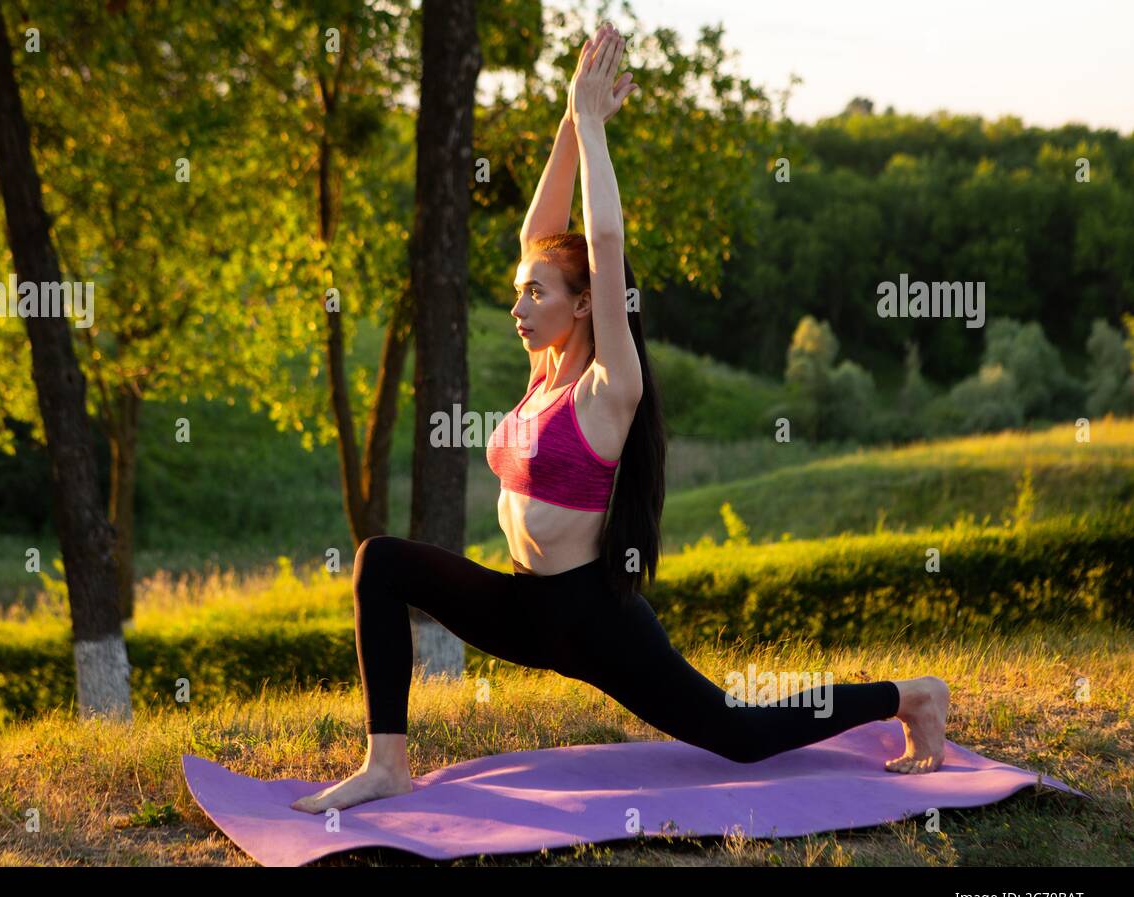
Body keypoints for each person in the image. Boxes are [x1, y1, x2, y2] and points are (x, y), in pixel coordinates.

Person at [291, 22, 948, 815]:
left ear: (583, 305)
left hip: (595, 621)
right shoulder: (544, 370)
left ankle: (910, 696)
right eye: (518, 291)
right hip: (526, 608)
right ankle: (387, 764)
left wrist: (597, 127)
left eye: (537, 294)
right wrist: (571, 117)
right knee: (381, 562)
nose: (519, 306)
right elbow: (545, 232)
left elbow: (601, 238)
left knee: (737, 734)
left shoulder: (610, 386)